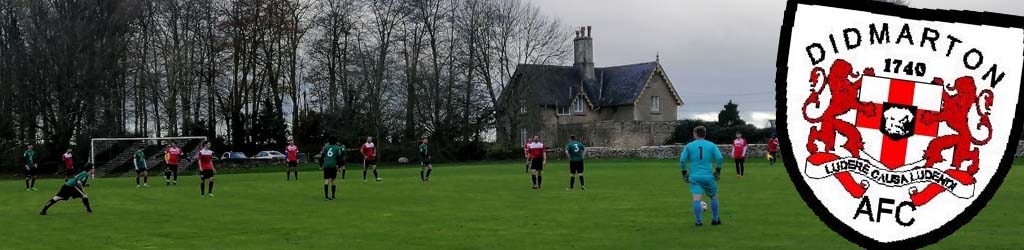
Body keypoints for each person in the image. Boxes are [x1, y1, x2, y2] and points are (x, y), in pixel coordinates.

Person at [680, 126, 723, 226]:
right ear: (705, 134)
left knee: (696, 199)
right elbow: (720, 158)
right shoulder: (711, 145)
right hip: (708, 176)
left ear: (695, 134)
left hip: (695, 177)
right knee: (714, 197)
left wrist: (684, 173)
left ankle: (699, 222)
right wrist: (717, 171)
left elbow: (682, 160)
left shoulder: (689, 146)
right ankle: (715, 220)